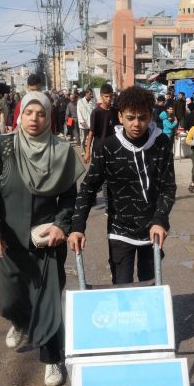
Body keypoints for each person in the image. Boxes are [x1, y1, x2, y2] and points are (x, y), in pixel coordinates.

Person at [0, 91, 84, 386]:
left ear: (49, 117)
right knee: (12, 299)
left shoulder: (62, 151)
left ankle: (52, 359)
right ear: (20, 115)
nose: (34, 119)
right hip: (9, 241)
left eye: (40, 114)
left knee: (50, 301)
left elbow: (69, 198)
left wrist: (61, 226)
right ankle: (20, 321)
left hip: (47, 241)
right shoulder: (3, 145)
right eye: (28, 113)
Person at [68, 86, 176, 285]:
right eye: (130, 117)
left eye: (142, 117)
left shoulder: (161, 143)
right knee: (122, 288)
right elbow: (89, 187)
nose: (137, 124)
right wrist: (77, 227)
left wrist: (160, 220)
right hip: (119, 230)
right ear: (120, 117)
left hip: (153, 230)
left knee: (151, 288)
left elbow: (168, 187)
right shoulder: (107, 146)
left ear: (151, 116)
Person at [84, 83, 119, 164]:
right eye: (106, 97)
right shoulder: (96, 112)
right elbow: (91, 132)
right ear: (101, 96)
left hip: (113, 147)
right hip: (99, 148)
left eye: (111, 96)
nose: (109, 99)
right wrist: (87, 151)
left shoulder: (115, 111)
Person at [77, 88, 95, 152]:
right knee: (83, 139)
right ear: (86, 94)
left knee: (91, 138)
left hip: (91, 123)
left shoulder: (93, 101)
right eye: (90, 94)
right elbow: (79, 112)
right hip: (83, 124)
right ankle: (83, 151)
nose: (91, 95)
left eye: (91, 94)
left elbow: (94, 112)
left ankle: (91, 151)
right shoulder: (80, 101)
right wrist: (81, 121)